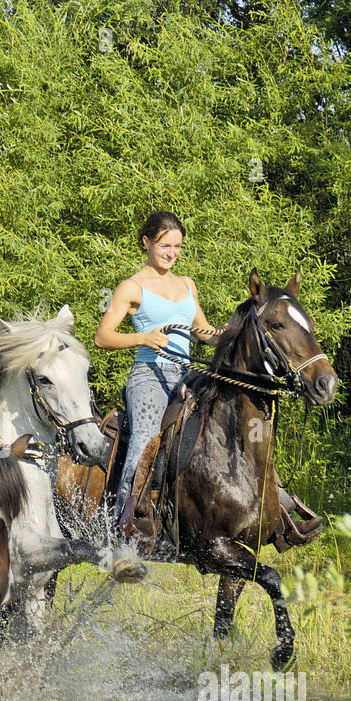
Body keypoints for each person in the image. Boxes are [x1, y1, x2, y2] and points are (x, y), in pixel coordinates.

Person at [95, 211, 218, 528]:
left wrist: (233, 331)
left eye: (177, 246)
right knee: (145, 440)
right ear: (146, 242)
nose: (172, 253)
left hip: (188, 376)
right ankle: (122, 523)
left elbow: (203, 332)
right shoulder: (131, 287)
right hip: (149, 375)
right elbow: (103, 336)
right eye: (165, 245)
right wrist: (143, 337)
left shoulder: (186, 284)